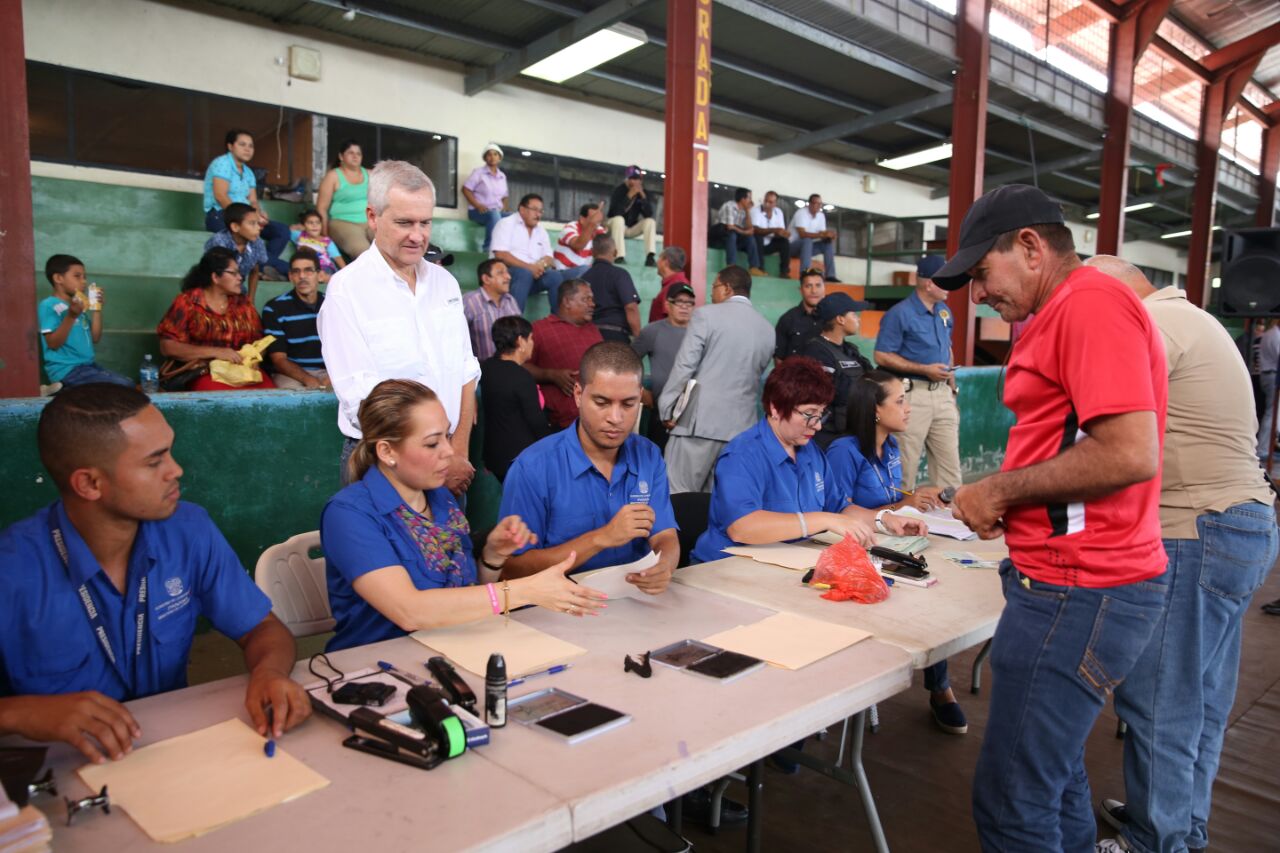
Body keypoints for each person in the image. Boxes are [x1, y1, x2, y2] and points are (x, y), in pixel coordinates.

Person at [934, 185, 1170, 851]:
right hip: (1073, 584)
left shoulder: (1087, 303)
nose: (978, 294)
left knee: (1011, 805)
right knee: (1058, 777)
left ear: (1032, 247)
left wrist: (1001, 492)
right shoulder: (1068, 311)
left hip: (1078, 591)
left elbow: (1128, 451)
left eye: (982, 272)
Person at [1079, 256, 1277, 853]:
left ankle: (1154, 839)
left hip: (1196, 531)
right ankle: (1176, 824)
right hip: (1239, 527)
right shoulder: (1193, 318)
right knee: (1200, 700)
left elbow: (1109, 435)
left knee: (1157, 701)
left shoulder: (1151, 324)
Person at [0, 384, 309, 763]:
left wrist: (269, 672)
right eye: (154, 461)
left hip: (170, 752)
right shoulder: (12, 569)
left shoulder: (188, 530)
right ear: (90, 483)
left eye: (170, 452)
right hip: (62, 767)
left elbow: (262, 628)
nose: (176, 470)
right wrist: (20, 713)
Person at [321, 379, 601, 652]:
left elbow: (468, 594)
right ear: (387, 451)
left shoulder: (441, 499)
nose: (448, 451)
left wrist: (491, 557)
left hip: (456, 647)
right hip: (378, 664)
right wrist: (522, 591)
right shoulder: (350, 515)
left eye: (448, 436)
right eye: (432, 443)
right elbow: (409, 611)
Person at [317, 160, 479, 493]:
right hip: (383, 460)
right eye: (405, 222)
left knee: (450, 547)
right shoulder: (347, 289)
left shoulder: (445, 284)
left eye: (426, 222)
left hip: (449, 457)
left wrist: (456, 450)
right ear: (372, 216)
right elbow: (361, 398)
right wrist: (432, 457)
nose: (417, 236)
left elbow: (466, 371)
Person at [826, 371, 965, 734]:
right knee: (924, 589)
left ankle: (940, 687)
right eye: (900, 401)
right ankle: (940, 689)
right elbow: (838, 508)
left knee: (940, 588)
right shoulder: (844, 451)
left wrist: (913, 499)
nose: (908, 408)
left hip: (893, 541)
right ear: (874, 410)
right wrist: (889, 515)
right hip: (858, 550)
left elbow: (888, 499)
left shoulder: (891, 448)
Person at [691, 358, 926, 564]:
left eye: (821, 413)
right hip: (728, 568)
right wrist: (822, 520)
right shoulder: (743, 456)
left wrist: (884, 519)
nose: (818, 425)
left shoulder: (809, 451)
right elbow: (742, 528)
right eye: (809, 414)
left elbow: (839, 507)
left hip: (788, 561)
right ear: (775, 408)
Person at [498, 342, 679, 585]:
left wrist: (664, 566)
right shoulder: (533, 468)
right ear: (578, 395)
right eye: (602, 402)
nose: (615, 418)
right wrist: (602, 538)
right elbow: (512, 570)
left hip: (634, 601)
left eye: (628, 404)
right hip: (559, 609)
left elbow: (665, 535)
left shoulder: (648, 455)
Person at [658, 265, 775, 494]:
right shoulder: (767, 329)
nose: (712, 293)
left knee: (676, 496)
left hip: (699, 424)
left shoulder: (705, 315)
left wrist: (668, 408)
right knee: (720, 504)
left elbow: (685, 366)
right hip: (742, 430)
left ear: (727, 288)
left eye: (714, 287)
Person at [874, 255, 962, 491]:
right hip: (913, 394)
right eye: (945, 281)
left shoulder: (944, 312)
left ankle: (953, 522)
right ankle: (898, 518)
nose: (950, 288)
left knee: (950, 467)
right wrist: (924, 369)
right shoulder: (899, 313)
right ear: (929, 283)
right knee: (905, 464)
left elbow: (948, 348)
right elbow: (882, 355)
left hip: (942, 394)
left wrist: (952, 388)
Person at [157, 248, 274, 391]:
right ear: (215, 277)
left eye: (239, 273)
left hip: (243, 372)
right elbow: (168, 347)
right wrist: (217, 352)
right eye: (233, 273)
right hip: (204, 371)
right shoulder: (188, 302)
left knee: (270, 395)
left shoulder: (243, 304)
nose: (240, 278)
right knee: (223, 399)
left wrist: (255, 358)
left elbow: (260, 341)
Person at [202, 128, 289, 278]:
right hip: (221, 215)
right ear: (230, 146)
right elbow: (220, 196)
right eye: (242, 144)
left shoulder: (248, 172)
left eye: (251, 146)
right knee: (251, 241)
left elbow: (253, 200)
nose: (248, 149)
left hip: (246, 218)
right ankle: (286, 269)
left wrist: (258, 216)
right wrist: (241, 219)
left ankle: (264, 266)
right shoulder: (222, 163)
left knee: (281, 231)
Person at [38, 254, 132, 388]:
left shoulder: (78, 306)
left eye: (84, 277)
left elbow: (95, 337)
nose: (84, 281)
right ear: (58, 278)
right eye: (77, 276)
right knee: (123, 386)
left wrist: (97, 310)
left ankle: (62, 390)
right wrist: (71, 317)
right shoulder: (49, 305)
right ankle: (61, 389)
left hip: (87, 366)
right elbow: (53, 343)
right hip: (67, 370)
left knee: (128, 383)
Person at [480, 316, 553, 482]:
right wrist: (553, 448)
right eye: (531, 338)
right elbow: (536, 422)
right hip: (521, 459)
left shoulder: (488, 368)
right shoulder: (521, 376)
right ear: (520, 341)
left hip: (496, 458)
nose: (533, 343)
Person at [527, 279, 604, 429]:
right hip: (559, 423)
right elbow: (521, 367)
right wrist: (550, 375)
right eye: (586, 299)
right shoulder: (539, 329)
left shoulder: (593, 330)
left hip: (595, 420)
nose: (592, 304)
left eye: (592, 299)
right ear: (567, 301)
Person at [490, 193, 587, 311]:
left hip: (534, 276)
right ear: (522, 209)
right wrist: (529, 267)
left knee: (554, 276)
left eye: (541, 211)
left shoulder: (541, 231)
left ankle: (558, 322)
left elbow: (549, 258)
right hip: (509, 276)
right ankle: (515, 322)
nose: (538, 214)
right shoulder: (505, 224)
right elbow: (501, 255)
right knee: (523, 273)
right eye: (534, 210)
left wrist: (540, 266)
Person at [802, 292, 873, 448]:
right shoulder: (816, 351)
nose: (858, 319)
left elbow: (871, 379)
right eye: (854, 314)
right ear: (840, 319)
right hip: (827, 438)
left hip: (851, 433)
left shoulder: (850, 350)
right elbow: (826, 395)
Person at [633, 283, 696, 452]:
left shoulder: (700, 333)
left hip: (693, 413)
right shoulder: (652, 331)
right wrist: (638, 389)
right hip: (661, 412)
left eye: (689, 303)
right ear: (668, 305)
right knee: (658, 459)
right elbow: (627, 361)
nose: (684, 306)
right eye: (679, 301)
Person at [261, 248, 329, 390]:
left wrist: (332, 377)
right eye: (296, 272)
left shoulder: (333, 304)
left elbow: (345, 349)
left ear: (320, 275)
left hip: (329, 372)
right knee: (295, 397)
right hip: (291, 375)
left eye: (308, 270)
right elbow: (279, 359)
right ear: (290, 277)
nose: (302, 276)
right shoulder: (274, 308)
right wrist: (308, 379)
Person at [315, 138, 371, 259]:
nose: (355, 156)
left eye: (358, 153)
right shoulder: (333, 176)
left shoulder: (370, 174)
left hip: (369, 222)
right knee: (364, 252)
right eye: (351, 153)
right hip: (343, 222)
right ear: (341, 156)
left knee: (390, 246)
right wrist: (325, 235)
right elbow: (321, 208)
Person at [582, 235, 641, 343]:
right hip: (616, 336)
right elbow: (631, 307)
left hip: (590, 337)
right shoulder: (620, 274)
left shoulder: (583, 278)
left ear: (592, 252)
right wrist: (638, 338)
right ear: (615, 253)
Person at [203, 202, 267, 303]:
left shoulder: (257, 243)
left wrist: (250, 300)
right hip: (213, 292)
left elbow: (255, 271)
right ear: (235, 227)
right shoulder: (219, 242)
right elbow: (211, 275)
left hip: (238, 293)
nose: (258, 228)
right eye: (252, 223)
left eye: (258, 223)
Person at [462, 258, 520, 361]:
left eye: (507, 272)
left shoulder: (510, 300)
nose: (508, 277)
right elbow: (457, 339)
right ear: (486, 279)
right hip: (480, 371)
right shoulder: (470, 301)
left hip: (509, 367)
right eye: (501, 273)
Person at [461, 142, 510, 252]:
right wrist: (477, 205)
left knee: (513, 217)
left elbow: (505, 196)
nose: (492, 157)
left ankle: (508, 249)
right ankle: (489, 248)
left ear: (500, 158)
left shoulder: (502, 176)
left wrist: (505, 207)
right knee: (494, 214)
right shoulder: (479, 173)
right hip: (478, 211)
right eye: (489, 154)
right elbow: (465, 189)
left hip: (496, 211)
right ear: (485, 158)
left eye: (495, 154)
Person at [605, 165, 657, 267]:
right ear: (627, 179)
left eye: (637, 179)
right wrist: (629, 196)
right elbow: (615, 213)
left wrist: (643, 197)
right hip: (614, 226)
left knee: (650, 221)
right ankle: (619, 256)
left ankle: (650, 257)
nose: (635, 182)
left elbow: (649, 214)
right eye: (632, 178)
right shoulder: (619, 190)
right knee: (619, 219)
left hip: (630, 228)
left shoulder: (643, 193)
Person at [774, 269, 826, 363]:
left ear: (824, 288)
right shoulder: (787, 319)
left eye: (818, 285)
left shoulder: (832, 318)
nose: (814, 291)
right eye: (808, 286)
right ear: (801, 290)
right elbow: (779, 359)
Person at [710, 188, 764, 274]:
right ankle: (731, 266)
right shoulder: (729, 206)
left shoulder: (743, 211)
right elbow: (730, 227)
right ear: (743, 199)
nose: (751, 201)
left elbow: (750, 228)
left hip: (732, 239)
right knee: (732, 234)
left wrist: (747, 211)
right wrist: (745, 232)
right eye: (749, 198)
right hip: (719, 237)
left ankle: (754, 267)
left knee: (750, 238)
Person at [789, 194, 838, 282]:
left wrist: (829, 236)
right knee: (807, 241)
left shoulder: (821, 216)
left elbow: (822, 234)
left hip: (806, 250)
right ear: (810, 204)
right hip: (792, 247)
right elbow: (802, 234)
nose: (819, 206)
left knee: (827, 244)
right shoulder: (801, 213)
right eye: (816, 203)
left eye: (820, 204)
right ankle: (805, 274)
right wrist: (822, 235)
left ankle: (830, 275)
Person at [290, 209, 346, 277]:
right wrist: (299, 227)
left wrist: (345, 274)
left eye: (318, 222)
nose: (315, 225)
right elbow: (289, 229)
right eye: (310, 223)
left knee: (319, 273)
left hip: (325, 268)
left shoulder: (327, 241)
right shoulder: (299, 235)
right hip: (305, 266)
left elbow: (338, 259)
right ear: (304, 225)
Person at [750, 190, 792, 277]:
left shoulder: (778, 212)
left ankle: (784, 272)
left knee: (784, 242)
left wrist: (783, 234)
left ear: (775, 204)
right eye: (766, 200)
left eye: (770, 202)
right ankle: (760, 268)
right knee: (758, 236)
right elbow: (755, 230)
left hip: (770, 244)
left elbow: (779, 230)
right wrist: (774, 230)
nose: (767, 204)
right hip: (756, 245)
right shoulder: (755, 210)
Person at [555, 202, 606, 271]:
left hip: (583, 276)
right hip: (563, 273)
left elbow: (606, 251)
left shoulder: (599, 230)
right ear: (582, 219)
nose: (595, 223)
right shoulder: (569, 228)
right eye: (593, 219)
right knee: (585, 270)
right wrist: (591, 225)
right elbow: (578, 245)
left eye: (597, 220)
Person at [1256, 319, 1280, 458]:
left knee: (1271, 412)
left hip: (1266, 374)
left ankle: (1267, 446)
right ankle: (1264, 449)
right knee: (1272, 413)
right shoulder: (1276, 336)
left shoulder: (1269, 334)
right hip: (1272, 375)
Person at [649, 246, 691, 322]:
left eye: (659, 258)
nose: (657, 262)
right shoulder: (675, 283)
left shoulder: (677, 285)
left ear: (666, 262)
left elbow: (676, 321)